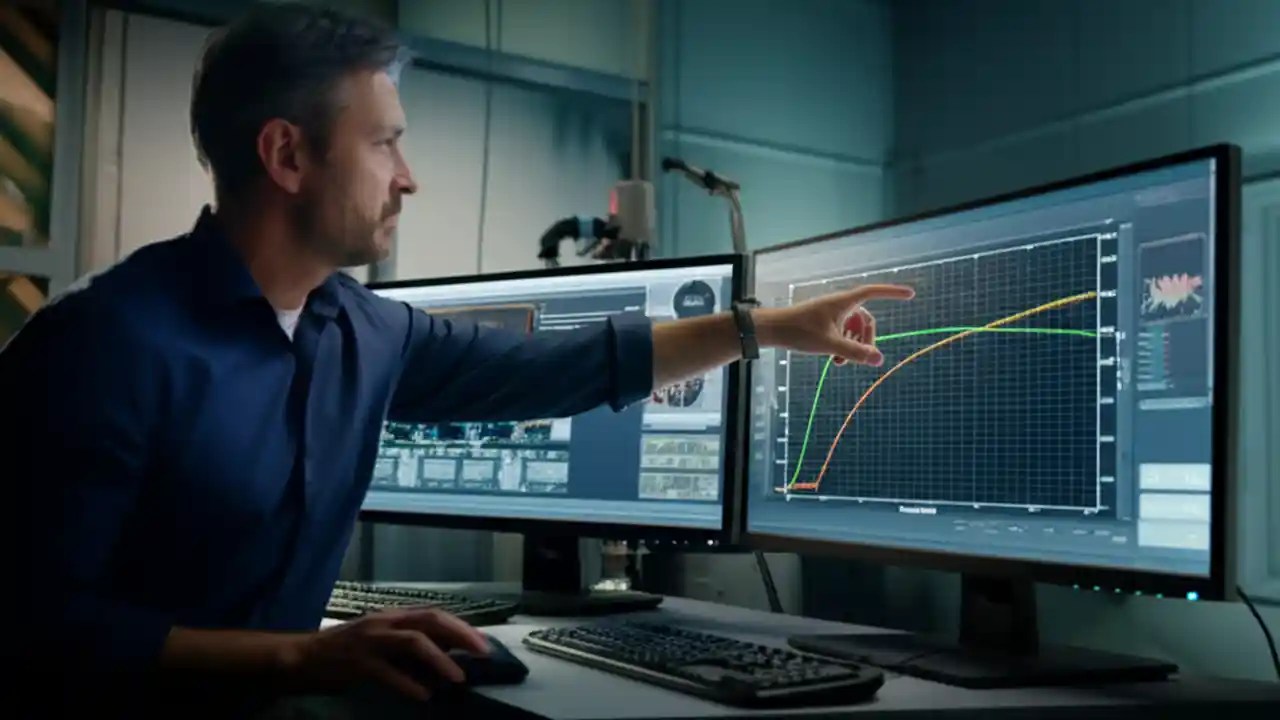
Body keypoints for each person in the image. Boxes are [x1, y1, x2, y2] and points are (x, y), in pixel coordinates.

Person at [0, 2, 913, 715]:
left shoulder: (361, 329)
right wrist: (305, 655)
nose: (409, 174)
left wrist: (761, 329)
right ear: (286, 154)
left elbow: (561, 366)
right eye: (385, 141)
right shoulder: (105, 344)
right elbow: (36, 630)